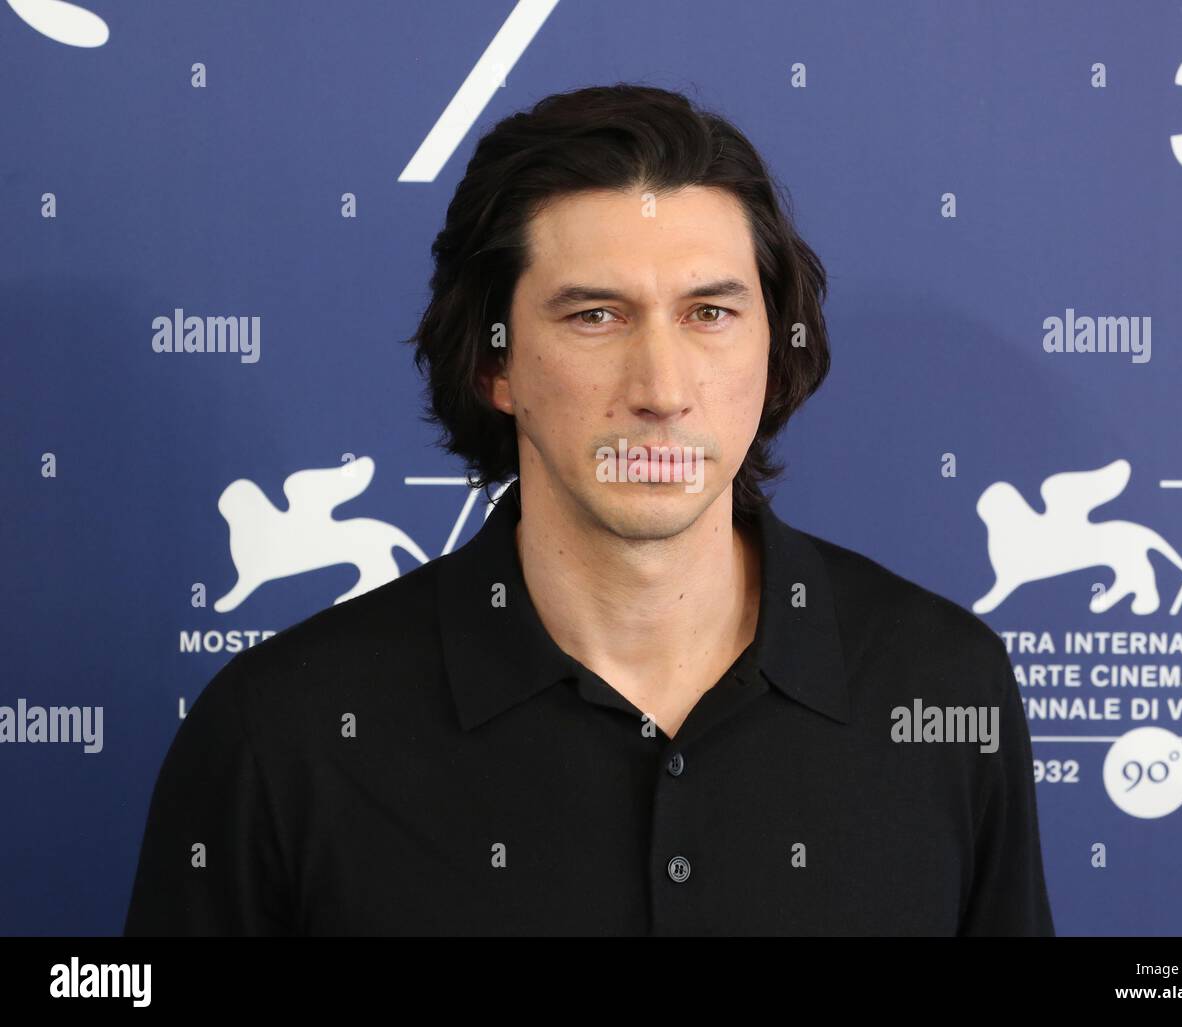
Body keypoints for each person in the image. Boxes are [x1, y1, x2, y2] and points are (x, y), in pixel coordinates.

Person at [124, 83, 1054, 936]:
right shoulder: (283, 731)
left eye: (710, 313)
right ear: (494, 364)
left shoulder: (942, 683)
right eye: (595, 316)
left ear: (773, 347)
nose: (661, 388)